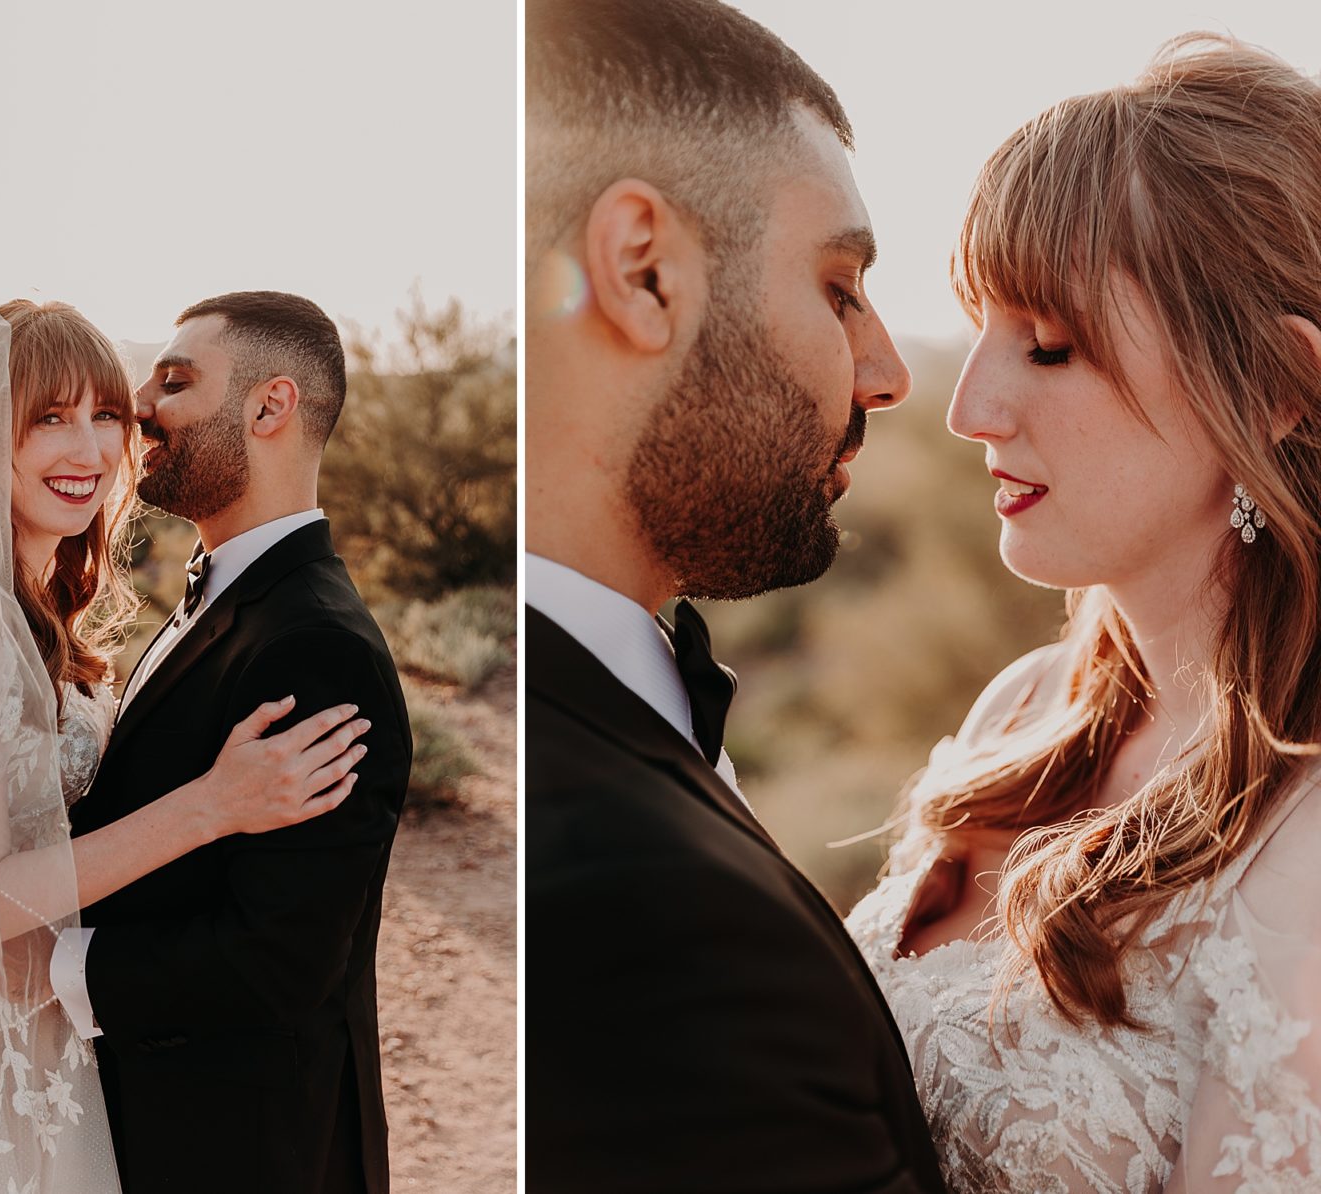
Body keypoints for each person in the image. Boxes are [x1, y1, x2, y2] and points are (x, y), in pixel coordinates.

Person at [843, 35, 1321, 1190]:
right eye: (982, 329)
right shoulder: (1021, 704)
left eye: (1048, 346)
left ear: (1272, 392)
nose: (970, 407)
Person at [0, 300, 367, 1194]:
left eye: (105, 415)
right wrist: (212, 805)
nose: (90, 451)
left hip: (39, 1020)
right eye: (48, 419)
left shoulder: (32, 585)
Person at [525, 0, 945, 1189]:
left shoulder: (605, 714)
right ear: (643, 270)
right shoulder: (631, 912)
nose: (889, 370)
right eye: (840, 284)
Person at [53, 291, 413, 1193]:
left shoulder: (316, 646)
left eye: (174, 382)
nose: (140, 406)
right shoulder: (217, 593)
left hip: (248, 1151)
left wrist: (53, 969)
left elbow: (278, 962)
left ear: (269, 407)